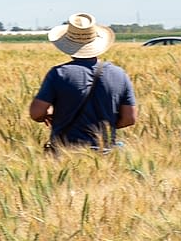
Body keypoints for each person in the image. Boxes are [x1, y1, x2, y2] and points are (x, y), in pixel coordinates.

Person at [30, 13, 137, 151]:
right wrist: (102, 128)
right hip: (107, 154)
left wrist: (52, 116)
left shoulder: (58, 74)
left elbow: (36, 113)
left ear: (67, 44)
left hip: (65, 153)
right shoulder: (119, 74)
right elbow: (129, 118)